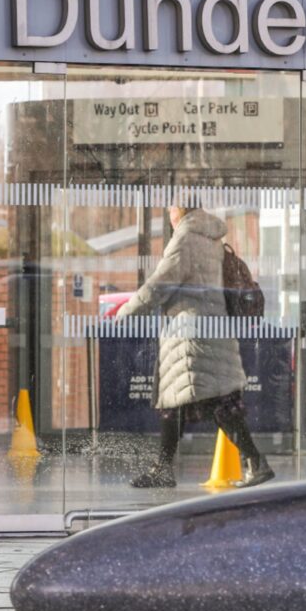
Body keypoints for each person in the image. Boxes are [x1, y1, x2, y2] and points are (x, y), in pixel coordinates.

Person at [115, 202, 273, 489]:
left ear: (181, 209)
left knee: (214, 402)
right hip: (208, 330)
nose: (168, 212)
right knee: (182, 403)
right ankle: (165, 468)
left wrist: (126, 311)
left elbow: (159, 284)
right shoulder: (211, 236)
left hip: (190, 336)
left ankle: (255, 462)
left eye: (171, 207)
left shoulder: (185, 239)